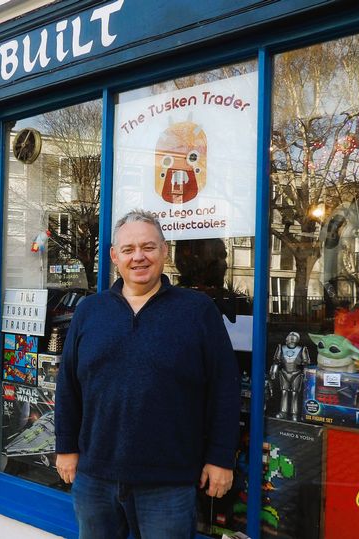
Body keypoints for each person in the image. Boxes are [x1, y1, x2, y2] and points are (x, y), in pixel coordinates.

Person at [55, 209, 240, 538]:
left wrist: (221, 458)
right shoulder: (89, 312)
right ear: (114, 256)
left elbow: (224, 389)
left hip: (168, 483)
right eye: (128, 250)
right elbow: (68, 386)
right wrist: (66, 447)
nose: (138, 257)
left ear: (164, 251)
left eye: (148, 247)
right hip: (95, 477)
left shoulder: (197, 311)